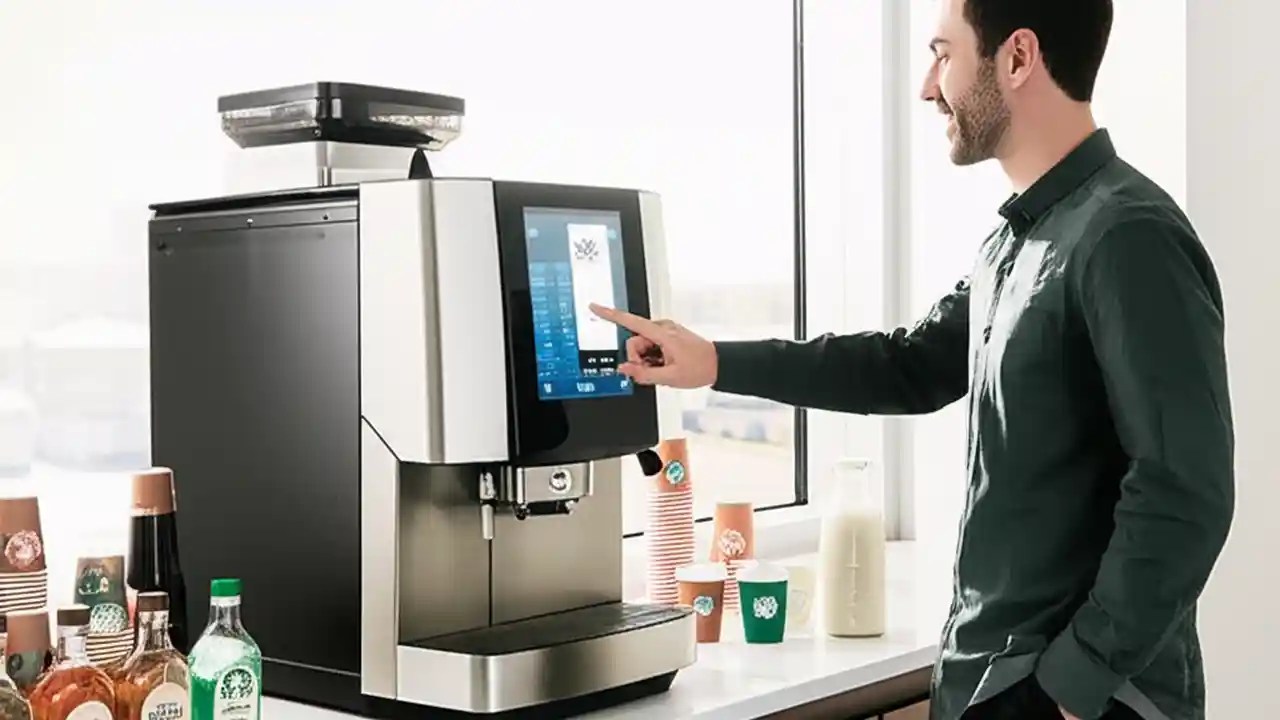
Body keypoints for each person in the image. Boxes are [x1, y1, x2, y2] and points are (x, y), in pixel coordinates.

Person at [590, 0, 1234, 718]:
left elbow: (1185, 493)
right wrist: (713, 361)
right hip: (994, 683)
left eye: (943, 54)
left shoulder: (1127, 236)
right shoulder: (1016, 243)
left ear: (1017, 58)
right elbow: (911, 365)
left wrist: (1072, 687)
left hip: (1078, 699)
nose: (929, 87)